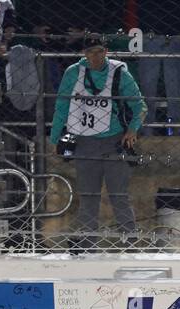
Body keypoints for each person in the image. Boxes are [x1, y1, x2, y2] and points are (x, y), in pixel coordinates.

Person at [49, 33, 146, 248]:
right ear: (84, 54)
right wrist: (55, 138)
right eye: (91, 52)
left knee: (119, 195)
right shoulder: (73, 73)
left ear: (106, 51)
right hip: (83, 142)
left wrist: (132, 130)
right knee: (88, 197)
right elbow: (61, 107)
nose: (95, 56)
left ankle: (129, 244)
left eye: (99, 51)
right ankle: (86, 245)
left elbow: (139, 105)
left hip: (114, 141)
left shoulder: (120, 74)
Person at [135, 0, 180, 135]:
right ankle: (147, 130)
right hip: (150, 34)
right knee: (148, 88)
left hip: (174, 34)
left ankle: (173, 131)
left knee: (174, 88)